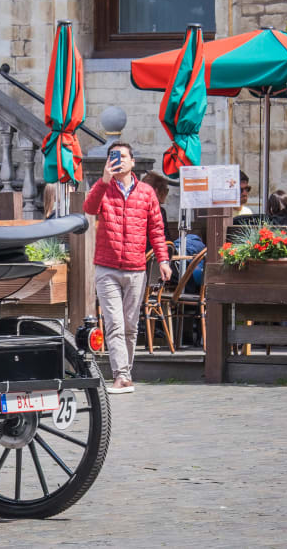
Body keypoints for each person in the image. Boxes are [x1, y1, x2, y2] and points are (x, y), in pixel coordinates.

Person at [84, 142, 170, 394]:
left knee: (131, 326)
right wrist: (103, 180)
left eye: (123, 157)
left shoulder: (146, 192)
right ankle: (121, 376)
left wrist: (163, 260)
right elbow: (89, 208)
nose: (118, 161)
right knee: (114, 324)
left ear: (133, 162)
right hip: (106, 267)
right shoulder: (103, 188)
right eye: (114, 156)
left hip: (135, 267)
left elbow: (156, 229)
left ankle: (126, 372)